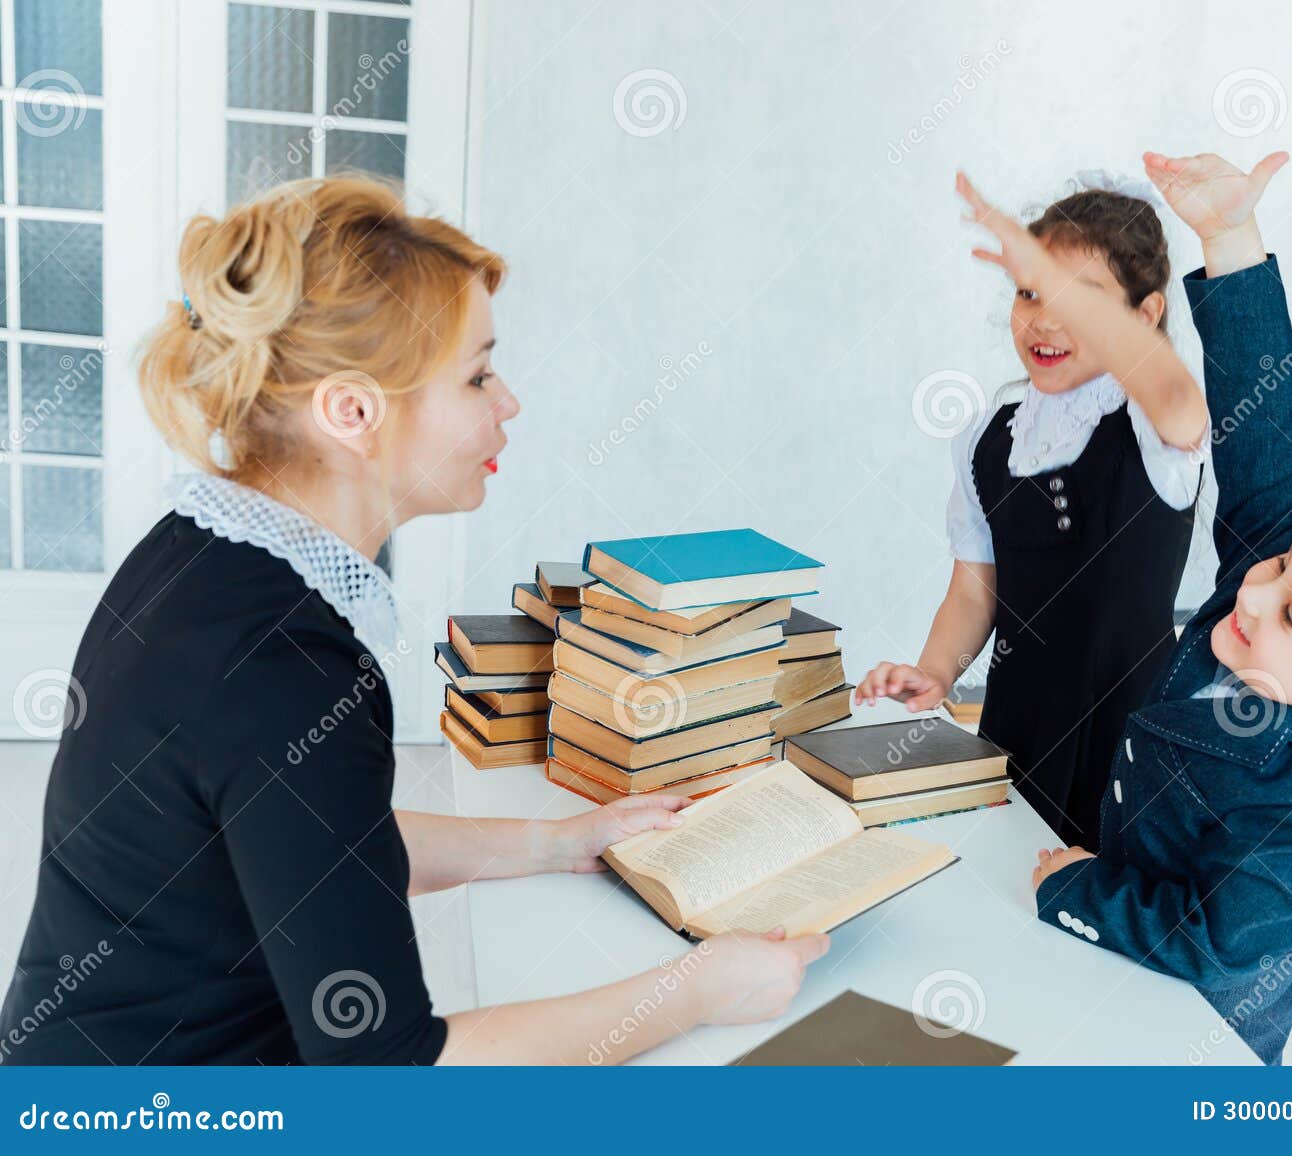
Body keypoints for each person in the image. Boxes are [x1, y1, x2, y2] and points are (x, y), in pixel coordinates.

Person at [0, 176, 827, 1066]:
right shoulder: (286, 668)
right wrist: (697, 991)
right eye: (477, 375)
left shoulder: (196, 555)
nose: (506, 403)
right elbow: (390, 1082)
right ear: (352, 412)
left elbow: (310, 837)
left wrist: (559, 842)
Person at [960, 151, 1292, 1065]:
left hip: (1199, 1021)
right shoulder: (1268, 604)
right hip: (1116, 908)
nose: (1254, 586)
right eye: (1286, 564)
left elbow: (1218, 946)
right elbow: (1266, 442)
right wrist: (1229, 237)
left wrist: (1081, 890)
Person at [857, 171, 1208, 848]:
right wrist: (933, 673)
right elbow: (974, 590)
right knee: (1012, 883)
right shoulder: (993, 431)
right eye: (1029, 291)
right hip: (1016, 727)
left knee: (1097, 903)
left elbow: (1173, 389)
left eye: (1082, 303)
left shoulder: (1155, 423)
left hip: (1129, 737)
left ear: (1143, 316)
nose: (1045, 319)